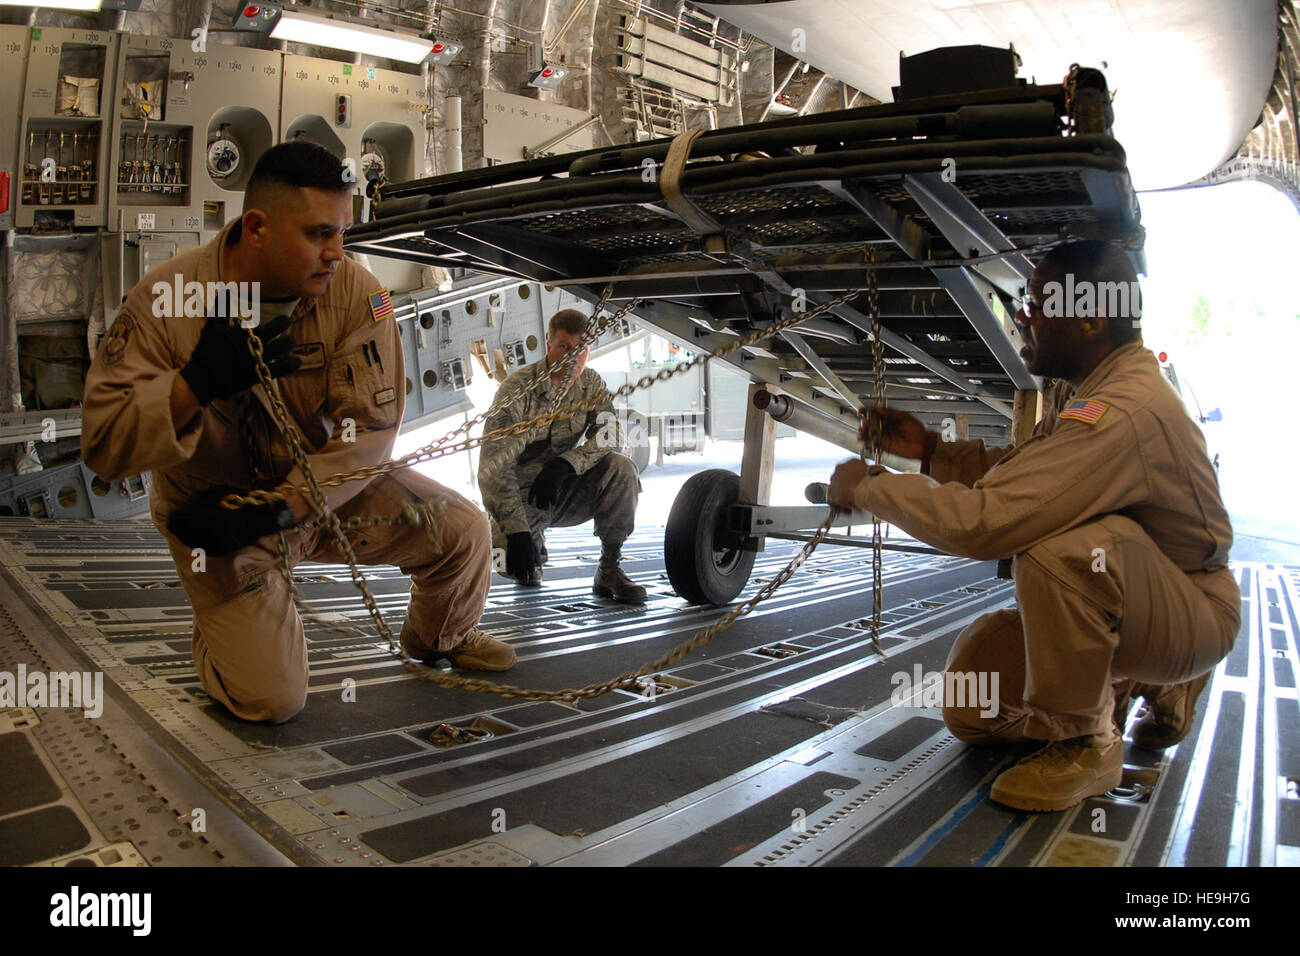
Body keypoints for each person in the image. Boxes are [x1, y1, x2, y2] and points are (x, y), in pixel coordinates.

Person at [81, 141, 513, 725]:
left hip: (321, 496)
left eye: (342, 232)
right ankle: (222, 636)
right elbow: (104, 449)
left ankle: (441, 637)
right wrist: (194, 385)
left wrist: (291, 505)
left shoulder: (365, 295)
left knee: (464, 532)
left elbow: (374, 429)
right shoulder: (164, 301)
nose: (337, 253)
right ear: (257, 228)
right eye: (318, 234)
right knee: (272, 700)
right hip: (222, 521)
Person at [827, 240, 1240, 812]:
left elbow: (989, 522)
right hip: (1141, 599)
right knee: (977, 706)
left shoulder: (1122, 411)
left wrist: (869, 486)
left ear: (1090, 318)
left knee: (1059, 549)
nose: (1022, 315)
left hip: (1190, 610)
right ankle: (1136, 682)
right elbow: (1021, 474)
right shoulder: (1088, 392)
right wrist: (929, 452)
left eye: (1038, 302)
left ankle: (1083, 742)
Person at [478, 308, 646, 603]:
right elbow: (494, 467)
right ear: (549, 347)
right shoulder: (517, 390)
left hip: (565, 489)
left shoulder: (590, 383)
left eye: (580, 350)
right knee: (511, 565)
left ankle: (609, 570)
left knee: (621, 468)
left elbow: (612, 435)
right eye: (564, 347)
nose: (571, 358)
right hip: (522, 496)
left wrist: (568, 463)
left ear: (589, 351)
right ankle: (513, 540)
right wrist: (516, 530)